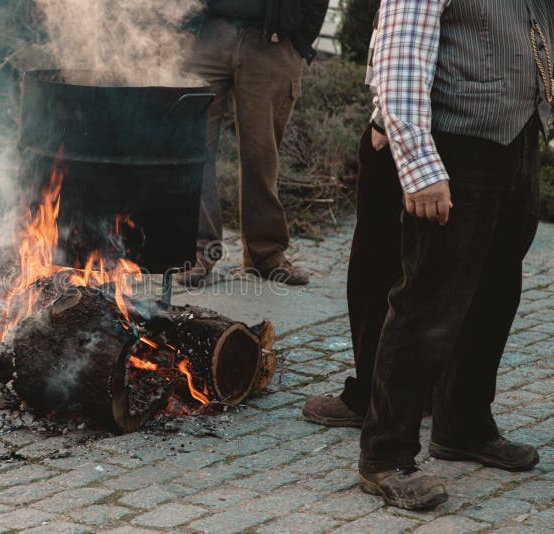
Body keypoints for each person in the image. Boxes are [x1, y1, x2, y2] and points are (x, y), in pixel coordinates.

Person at [352, 0, 553, 510]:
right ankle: (386, 454)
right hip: (456, 147)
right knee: (427, 302)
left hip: (519, 141)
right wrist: (420, 165)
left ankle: (463, 425)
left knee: (496, 294)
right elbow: (399, 57)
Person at [178, 0, 329, 287]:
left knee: (262, 153)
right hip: (206, 34)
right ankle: (196, 250)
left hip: (273, 41)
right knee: (193, 147)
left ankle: (266, 254)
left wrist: (299, 36)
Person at [302, 11, 404, 428]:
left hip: (400, 134)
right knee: (428, 271)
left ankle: (370, 397)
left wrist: (382, 119)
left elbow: (403, 51)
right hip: (456, 134)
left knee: (376, 269)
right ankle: (422, 390)